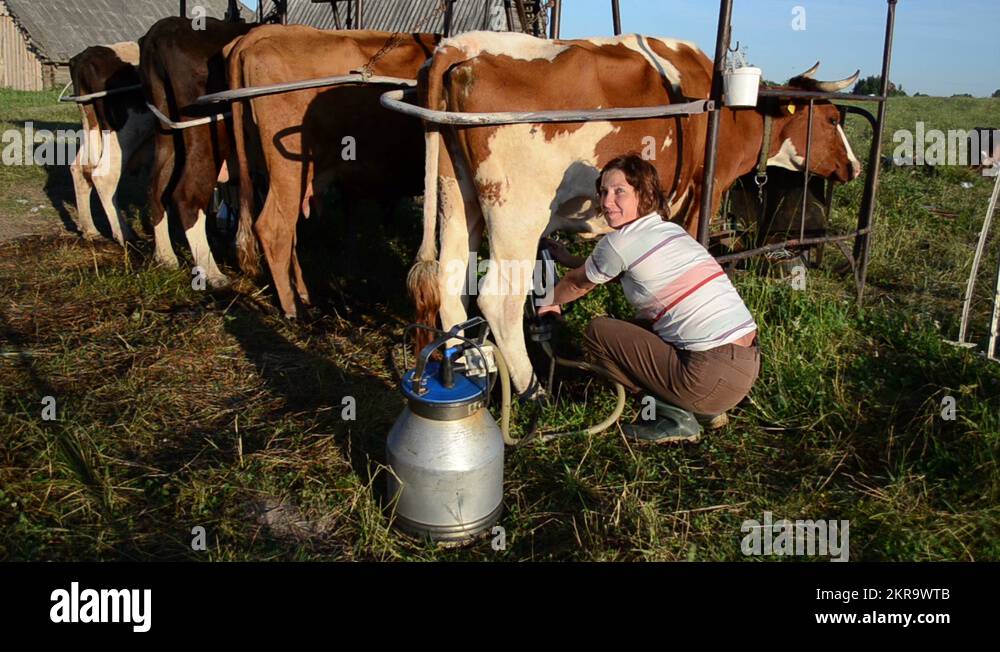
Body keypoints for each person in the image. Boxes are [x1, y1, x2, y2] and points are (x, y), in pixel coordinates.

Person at [538, 153, 760, 443]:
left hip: (705, 374)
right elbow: (616, 269)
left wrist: (548, 302)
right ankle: (705, 410)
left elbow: (578, 284)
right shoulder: (669, 231)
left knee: (599, 333)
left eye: (620, 192)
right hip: (745, 368)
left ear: (644, 194)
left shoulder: (618, 243)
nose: (606, 202)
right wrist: (569, 258)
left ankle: (673, 415)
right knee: (640, 329)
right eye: (603, 192)